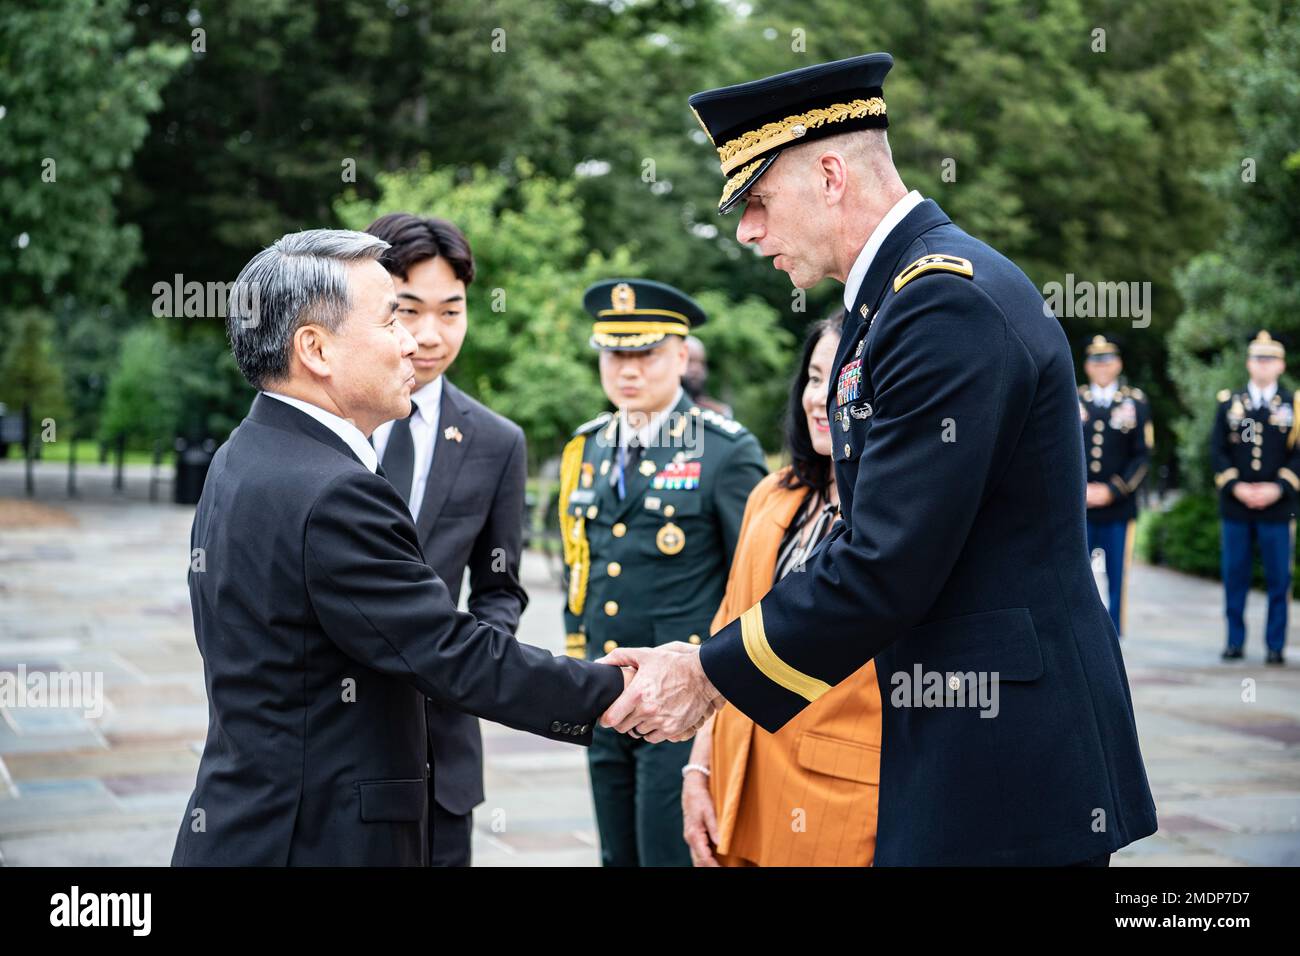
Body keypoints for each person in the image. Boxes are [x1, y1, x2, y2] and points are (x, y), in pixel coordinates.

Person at [600, 52, 1158, 866]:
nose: (747, 231)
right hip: (967, 733)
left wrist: (708, 675)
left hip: (1006, 756)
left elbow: (887, 561)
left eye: (756, 200)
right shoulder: (900, 300)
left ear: (831, 174)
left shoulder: (941, 302)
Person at [172, 229, 624, 866]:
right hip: (316, 839)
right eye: (392, 319)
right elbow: (444, 647)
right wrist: (615, 690)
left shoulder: (246, 453)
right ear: (316, 349)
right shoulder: (333, 491)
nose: (415, 341)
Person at [559, 278, 767, 866]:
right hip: (604, 690)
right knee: (616, 854)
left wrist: (728, 685)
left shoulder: (724, 451)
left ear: (680, 355)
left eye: (644, 352)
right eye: (614, 353)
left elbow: (751, 582)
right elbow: (583, 565)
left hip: (681, 695)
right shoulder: (589, 447)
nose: (627, 369)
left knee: (667, 853)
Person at [682, 314, 883, 867]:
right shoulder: (772, 493)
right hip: (735, 781)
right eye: (814, 378)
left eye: (841, 379)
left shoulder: (893, 517)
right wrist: (697, 770)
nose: (821, 398)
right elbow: (725, 635)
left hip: (834, 799)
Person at [363, 213, 528, 866]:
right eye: (407, 311)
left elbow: (500, 587)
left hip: (440, 747)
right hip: (328, 740)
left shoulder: (495, 441)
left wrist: (475, 666)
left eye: (451, 312)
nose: (430, 336)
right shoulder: (321, 422)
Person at [1212, 330, 1298, 665]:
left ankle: (1275, 645)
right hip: (1237, 504)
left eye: (1271, 359)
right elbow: (1217, 450)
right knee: (1235, 574)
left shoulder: (1294, 405)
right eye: (1258, 358)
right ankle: (1234, 641)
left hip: (1279, 506)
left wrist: (1278, 487)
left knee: (1279, 577)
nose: (1264, 365)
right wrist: (1237, 486)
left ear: (1281, 364)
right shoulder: (1229, 403)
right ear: (1248, 363)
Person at [1078, 335, 1151, 638]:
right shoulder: (1073, 398)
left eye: (1108, 360)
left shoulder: (1134, 401)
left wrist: (1112, 490)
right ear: (1087, 366)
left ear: (1118, 364)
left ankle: (1115, 633)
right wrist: (1079, 489)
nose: (1102, 367)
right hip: (1079, 507)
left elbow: (1142, 455)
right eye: (1096, 361)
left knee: (1117, 575)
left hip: (1118, 507)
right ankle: (1081, 630)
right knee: (1078, 574)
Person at [683, 335, 733, 417]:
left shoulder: (717, 412)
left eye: (702, 363)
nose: (696, 369)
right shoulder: (661, 409)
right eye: (689, 361)